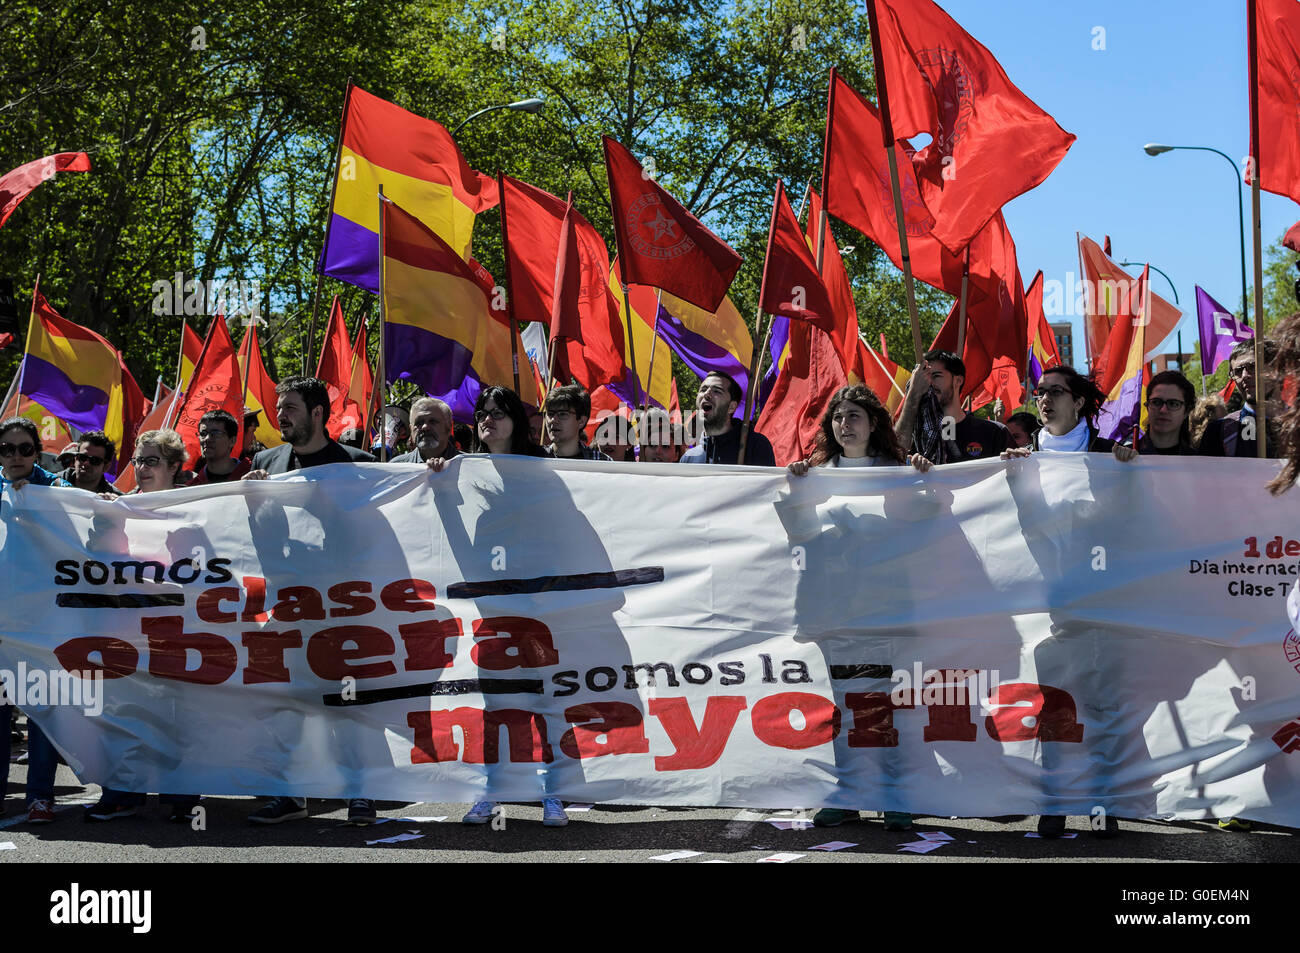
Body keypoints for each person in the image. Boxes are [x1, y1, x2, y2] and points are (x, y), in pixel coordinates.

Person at [783, 385, 931, 833]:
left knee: (884, 706)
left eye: (854, 416)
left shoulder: (897, 472)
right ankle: (848, 796)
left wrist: (925, 481)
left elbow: (927, 529)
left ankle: (893, 797)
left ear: (873, 424)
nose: (844, 424)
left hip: (887, 609)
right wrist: (796, 494)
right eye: (838, 417)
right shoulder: (815, 474)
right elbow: (801, 538)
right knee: (845, 706)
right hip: (834, 611)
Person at [1002, 367, 1133, 838]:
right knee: (1056, 709)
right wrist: (1014, 480)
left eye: (1055, 392)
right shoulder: (1024, 459)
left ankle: (1102, 803)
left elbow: (1127, 523)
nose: (1044, 400)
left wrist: (1126, 475)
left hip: (1103, 604)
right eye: (1040, 393)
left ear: (1079, 402)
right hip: (1049, 606)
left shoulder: (1105, 456)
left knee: (1100, 709)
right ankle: (1055, 803)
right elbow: (1021, 526)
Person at [243, 378, 376, 825]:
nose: (280, 416)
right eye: (279, 408)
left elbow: (373, 538)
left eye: (291, 408)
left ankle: (361, 792)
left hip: (340, 605)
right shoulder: (265, 462)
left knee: (348, 703)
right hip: (286, 604)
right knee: (286, 703)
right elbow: (257, 533)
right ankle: (289, 793)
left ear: (318, 414)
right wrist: (250, 499)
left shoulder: (358, 464)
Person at [84, 429, 205, 822]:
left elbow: (208, 568)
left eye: (152, 461)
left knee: (177, 715)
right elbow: (92, 563)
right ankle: (121, 794)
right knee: (123, 713)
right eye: (138, 460)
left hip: (174, 629)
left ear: (174, 467)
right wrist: (103, 523)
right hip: (125, 629)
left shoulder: (196, 510)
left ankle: (182, 796)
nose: (142, 468)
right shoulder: (119, 507)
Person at [0, 417, 68, 823]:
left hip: (45, 620)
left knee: (43, 712)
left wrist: (44, 505)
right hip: (3, 620)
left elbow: (88, 515)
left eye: (24, 448)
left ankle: (40, 796)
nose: (15, 456)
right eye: (7, 449)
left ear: (37, 452)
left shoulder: (57, 489)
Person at [897, 350, 1010, 463]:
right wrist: (913, 394)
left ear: (958, 381)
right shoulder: (917, 435)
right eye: (923, 378)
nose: (928, 383)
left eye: (936, 376)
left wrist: (1017, 460)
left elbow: (1016, 476)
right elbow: (894, 453)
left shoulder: (994, 433)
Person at [1199, 340, 1284, 458]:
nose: (1244, 376)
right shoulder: (1219, 432)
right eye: (1238, 371)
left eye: (1253, 366)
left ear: (1277, 369)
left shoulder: (1295, 425)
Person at [679, 372, 775, 465]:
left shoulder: (756, 448)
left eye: (717, 391)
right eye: (703, 389)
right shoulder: (688, 460)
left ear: (732, 407)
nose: (706, 394)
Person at [544, 385, 612, 461]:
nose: (553, 420)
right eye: (550, 413)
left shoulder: (602, 462)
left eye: (562, 414)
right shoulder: (534, 459)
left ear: (581, 421)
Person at [1139, 371, 1197, 455]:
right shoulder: (1123, 459)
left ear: (1186, 411)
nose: (1163, 410)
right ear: (1147, 406)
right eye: (1156, 402)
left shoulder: (1198, 463)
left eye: (1173, 404)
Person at [189, 410, 252, 485]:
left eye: (215, 434)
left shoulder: (252, 475)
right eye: (203, 433)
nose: (207, 438)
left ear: (232, 441)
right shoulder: (192, 487)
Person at [392, 397, 458, 465]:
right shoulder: (395, 467)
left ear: (449, 427)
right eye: (418, 423)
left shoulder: (467, 466)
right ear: (411, 430)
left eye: (433, 421)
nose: (425, 427)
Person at [57, 431, 122, 495]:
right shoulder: (51, 484)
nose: (86, 463)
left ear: (106, 467)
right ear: (76, 458)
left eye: (95, 460)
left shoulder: (116, 501)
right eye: (82, 457)